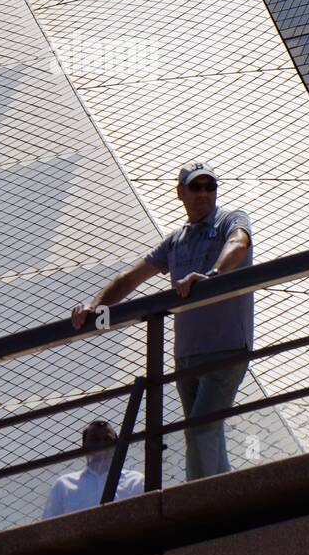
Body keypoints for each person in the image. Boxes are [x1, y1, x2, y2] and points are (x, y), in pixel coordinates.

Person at [71, 162, 252, 481]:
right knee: (205, 432)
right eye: (195, 187)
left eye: (210, 187)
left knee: (200, 428)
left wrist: (212, 275)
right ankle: (227, 492)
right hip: (188, 353)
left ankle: (198, 501)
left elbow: (239, 244)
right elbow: (130, 278)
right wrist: (94, 306)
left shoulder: (230, 220)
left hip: (227, 348)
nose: (204, 194)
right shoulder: (175, 240)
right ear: (180, 192)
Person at [41, 419, 144, 518]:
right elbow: (48, 525)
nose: (102, 444)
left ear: (116, 446)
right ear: (84, 446)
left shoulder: (135, 481)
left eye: (107, 440)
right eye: (95, 440)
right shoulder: (64, 485)